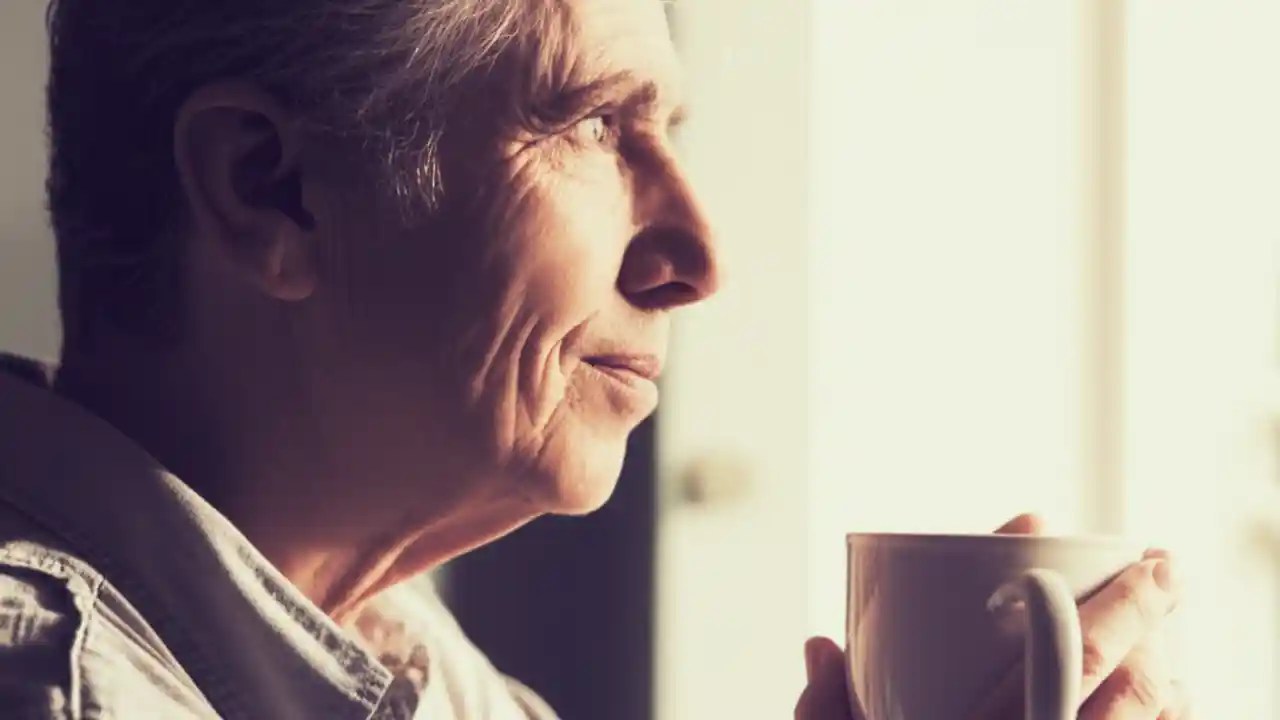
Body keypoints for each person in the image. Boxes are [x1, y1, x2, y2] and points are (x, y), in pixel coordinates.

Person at [0, 0, 1184, 717]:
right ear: (272, 189)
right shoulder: (66, 691)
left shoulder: (412, 669)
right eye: (586, 124)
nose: (698, 255)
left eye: (664, 132)